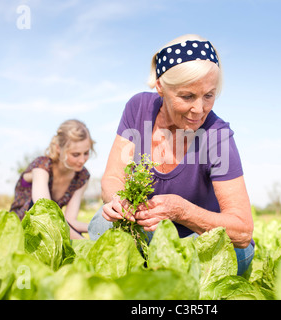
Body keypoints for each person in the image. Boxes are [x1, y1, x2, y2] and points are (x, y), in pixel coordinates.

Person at [88, 34, 254, 275]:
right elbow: (113, 178)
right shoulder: (138, 109)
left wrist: (182, 211)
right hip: (152, 236)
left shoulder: (218, 137)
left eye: (209, 95)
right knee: (103, 223)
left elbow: (242, 231)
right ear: (160, 87)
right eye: (187, 96)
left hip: (202, 243)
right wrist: (118, 201)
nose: (199, 109)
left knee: (200, 264)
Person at [10, 119, 95, 239]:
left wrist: (99, 230)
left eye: (86, 153)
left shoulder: (82, 176)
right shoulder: (42, 166)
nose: (82, 160)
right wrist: (85, 243)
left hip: (51, 226)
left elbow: (70, 220)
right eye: (75, 155)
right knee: (44, 213)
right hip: (23, 224)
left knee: (72, 234)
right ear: (59, 148)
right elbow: (45, 213)